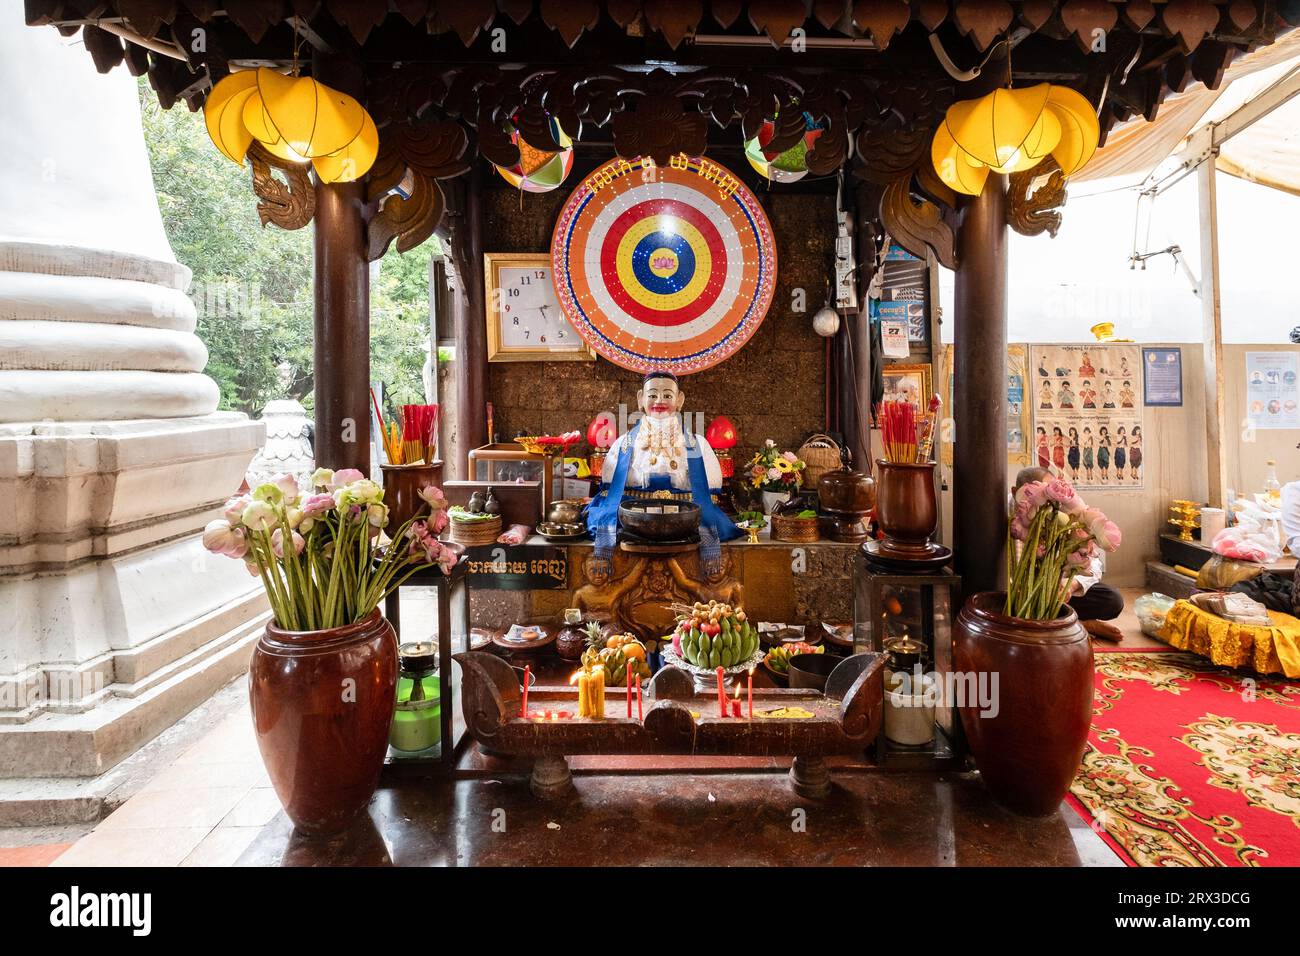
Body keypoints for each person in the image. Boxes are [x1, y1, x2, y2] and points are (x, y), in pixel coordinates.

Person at [1013, 467, 1125, 640]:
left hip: (1058, 592)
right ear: (1016, 492)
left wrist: (1071, 585)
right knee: (1008, 601)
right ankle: (1079, 624)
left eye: (1049, 491)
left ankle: (1060, 621)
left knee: (1112, 599)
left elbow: (1094, 564)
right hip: (1020, 595)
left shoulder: (1064, 511)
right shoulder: (1009, 518)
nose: (1048, 499)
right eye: (1042, 492)